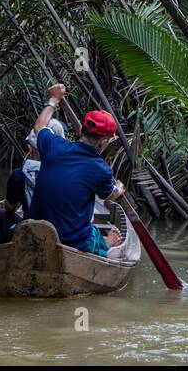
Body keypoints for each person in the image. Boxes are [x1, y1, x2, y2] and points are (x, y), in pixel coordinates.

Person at [26, 83, 125, 256]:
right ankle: (106, 245)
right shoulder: (101, 170)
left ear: (80, 130)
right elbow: (109, 195)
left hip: (35, 232)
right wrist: (118, 189)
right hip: (73, 242)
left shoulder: (54, 145)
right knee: (92, 235)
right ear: (103, 143)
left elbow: (39, 127)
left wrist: (54, 99)